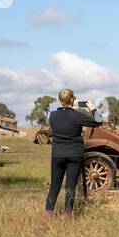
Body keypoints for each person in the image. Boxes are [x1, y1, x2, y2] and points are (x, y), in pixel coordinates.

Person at [44, 89, 102, 218]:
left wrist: (71, 108)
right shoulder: (77, 115)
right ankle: (67, 213)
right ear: (72, 100)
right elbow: (98, 121)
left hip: (58, 154)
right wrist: (91, 108)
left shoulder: (53, 115)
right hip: (75, 155)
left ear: (61, 100)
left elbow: (62, 123)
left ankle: (48, 212)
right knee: (70, 186)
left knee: (55, 184)